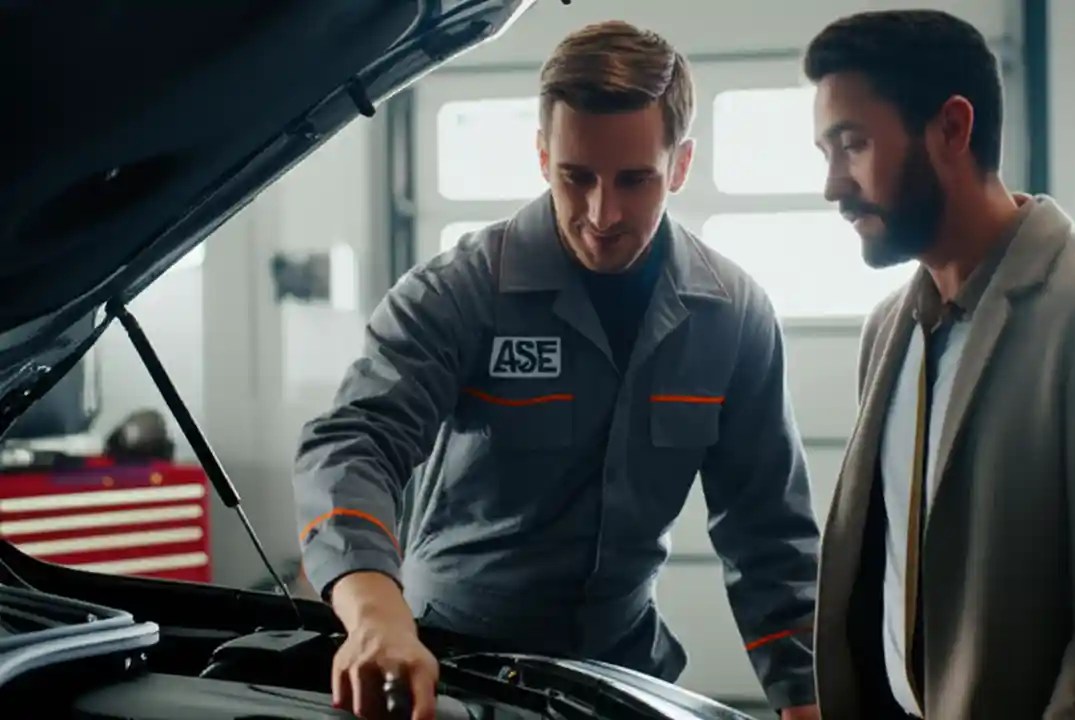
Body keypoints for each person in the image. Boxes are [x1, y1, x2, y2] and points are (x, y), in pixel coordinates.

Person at [292, 20, 822, 720]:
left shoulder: (733, 315)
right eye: (578, 177)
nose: (603, 213)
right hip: (445, 664)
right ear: (543, 156)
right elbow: (353, 445)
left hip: (623, 669)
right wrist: (374, 617)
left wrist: (804, 697)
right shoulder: (458, 293)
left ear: (681, 166)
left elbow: (767, 528)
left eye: (635, 180)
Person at [804, 9, 1075, 720]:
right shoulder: (889, 330)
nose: (834, 184)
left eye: (854, 144)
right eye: (825, 153)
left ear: (952, 128)